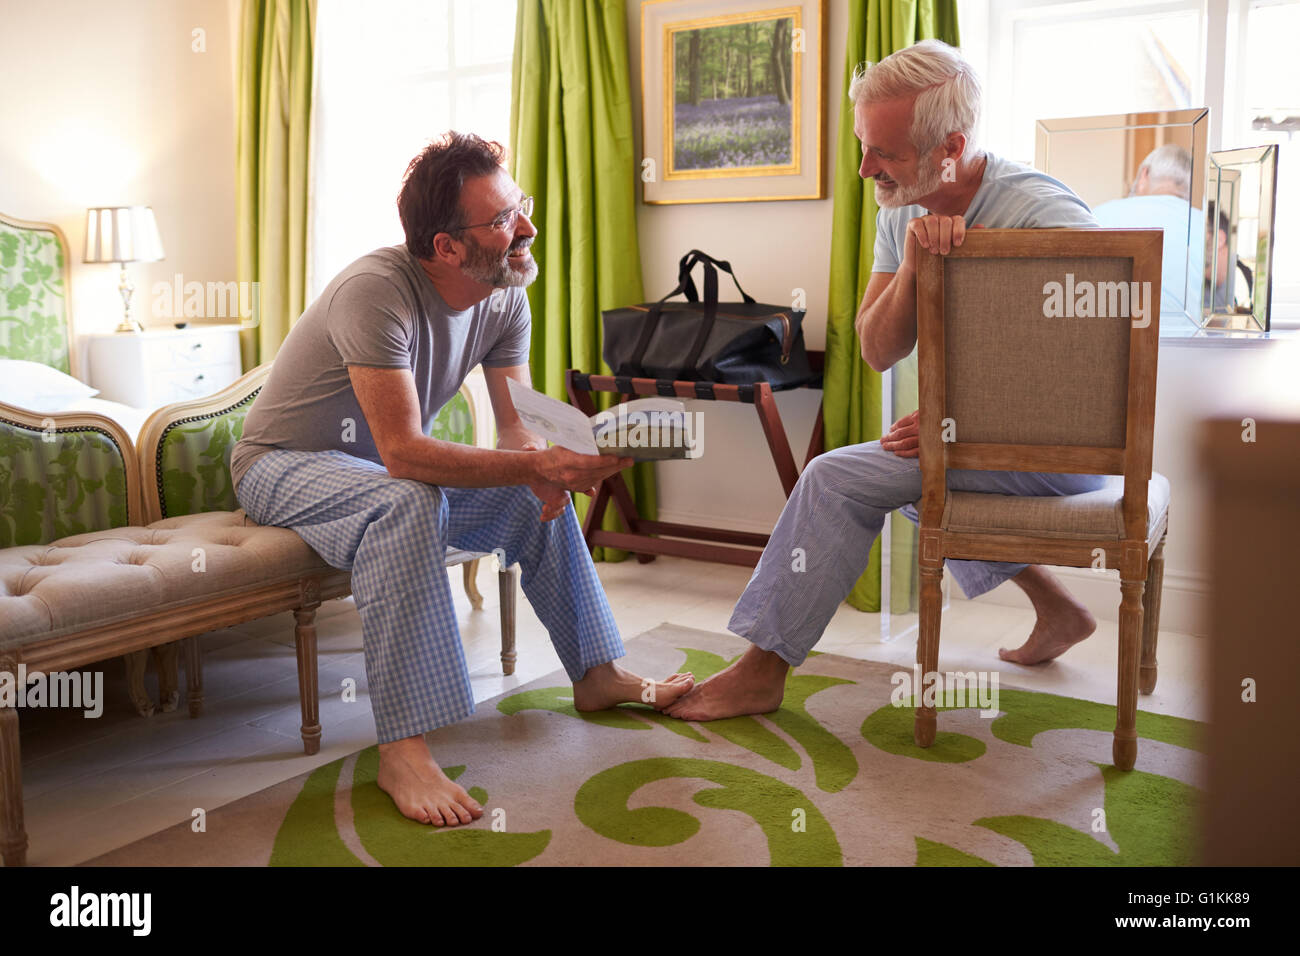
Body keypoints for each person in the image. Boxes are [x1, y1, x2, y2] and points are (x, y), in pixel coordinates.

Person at [231, 132, 693, 825]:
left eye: (521, 206)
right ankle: (404, 749)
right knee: (408, 498)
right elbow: (404, 454)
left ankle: (597, 674)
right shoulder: (374, 293)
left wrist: (548, 466)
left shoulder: (505, 295)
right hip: (282, 467)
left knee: (529, 484)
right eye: (505, 219)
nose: (528, 228)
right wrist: (537, 463)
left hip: (370, 473)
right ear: (446, 247)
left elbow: (517, 428)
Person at [665, 40, 1106, 722]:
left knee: (836, 479)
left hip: (1064, 448)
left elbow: (1093, 377)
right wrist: (913, 265)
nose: (866, 168)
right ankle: (1060, 609)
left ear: (951, 145)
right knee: (900, 475)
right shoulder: (902, 206)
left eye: (887, 153)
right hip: (975, 443)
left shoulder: (1044, 216)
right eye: (863, 146)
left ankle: (760, 672)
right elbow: (875, 350)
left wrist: (958, 427)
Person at [1093, 144, 1205, 331]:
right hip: (1188, 346)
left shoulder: (1100, 215)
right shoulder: (1203, 223)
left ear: (1144, 174)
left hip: (1119, 342)